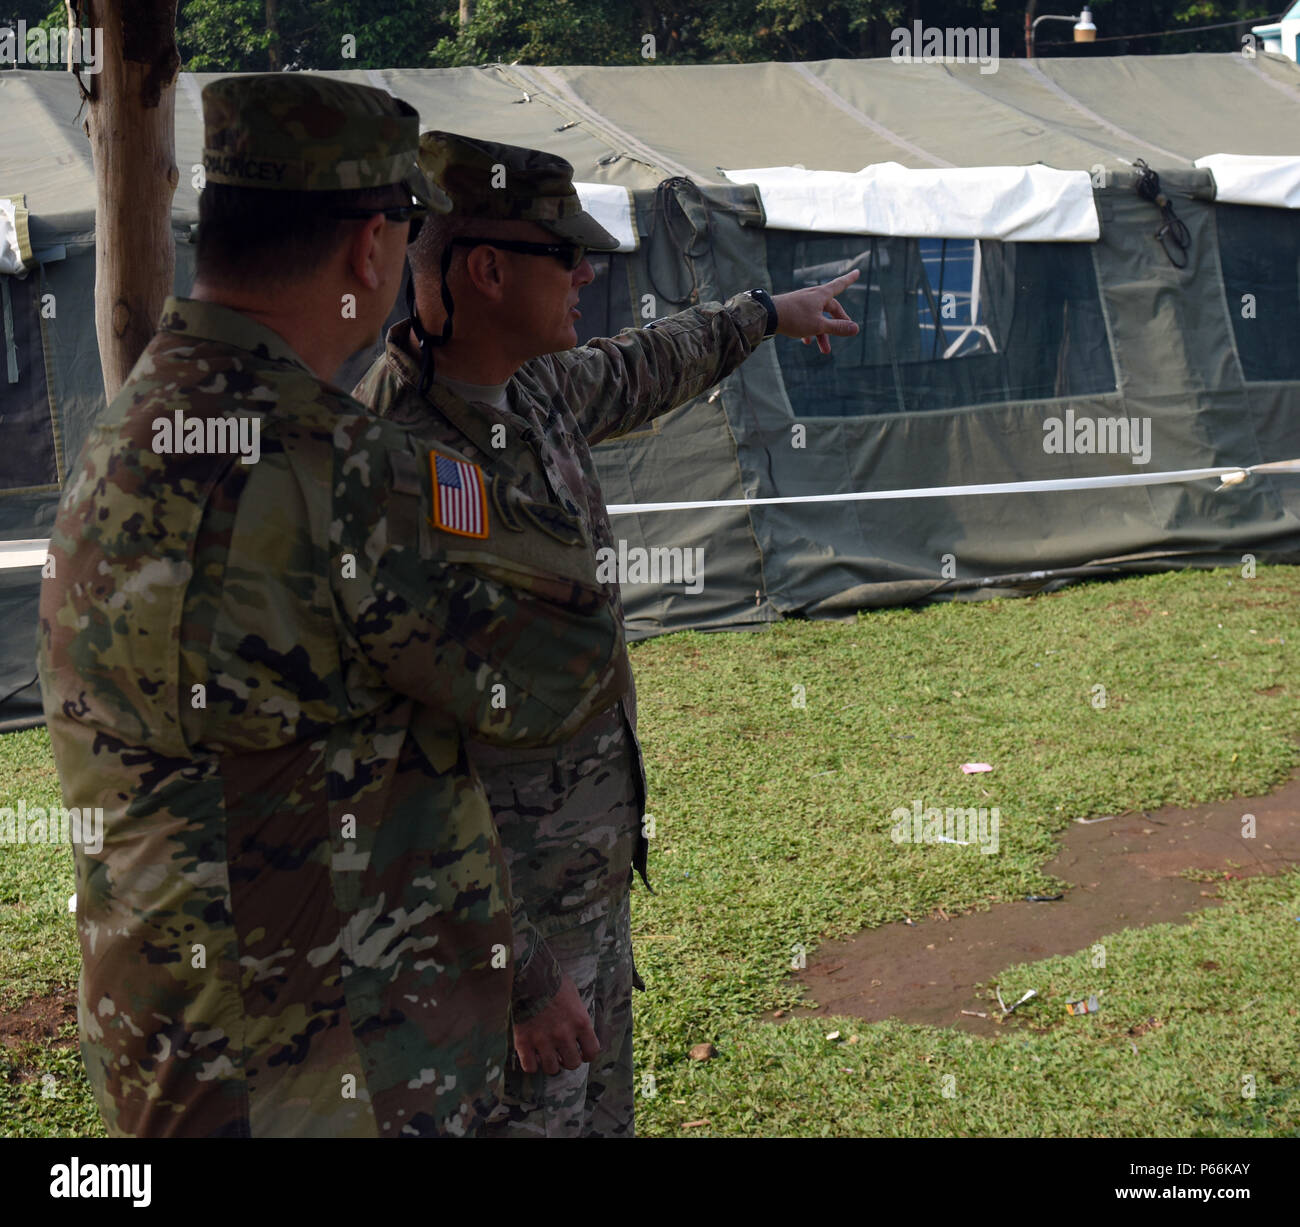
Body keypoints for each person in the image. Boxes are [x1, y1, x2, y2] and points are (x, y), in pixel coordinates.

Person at [35, 77, 628, 1139]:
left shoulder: (119, 434)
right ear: (371, 250)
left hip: (167, 1054)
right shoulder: (343, 468)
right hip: (334, 1066)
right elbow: (560, 668)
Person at [353, 130, 858, 1137]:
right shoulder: (387, 463)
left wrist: (764, 314)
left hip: (578, 889)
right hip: (486, 942)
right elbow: (390, 769)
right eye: (564, 254)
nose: (587, 273)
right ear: (486, 270)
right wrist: (523, 971)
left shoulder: (531, 392)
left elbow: (643, 365)